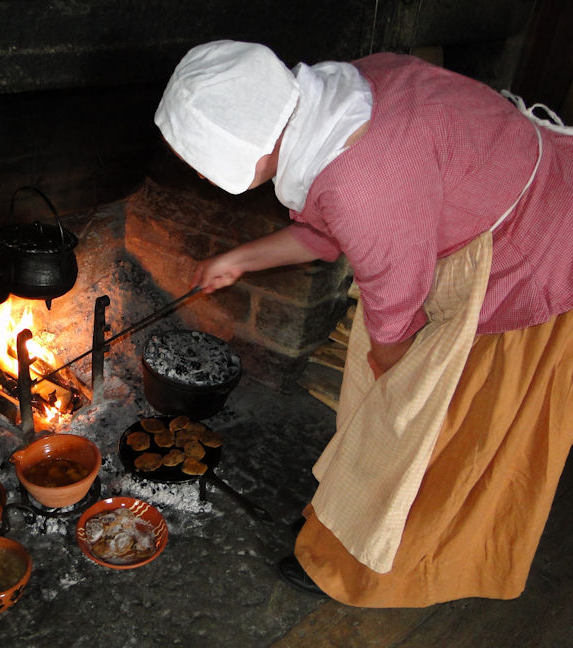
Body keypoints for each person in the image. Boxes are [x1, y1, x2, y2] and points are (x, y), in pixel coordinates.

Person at [154, 39, 573, 607]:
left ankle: (362, 568)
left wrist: (397, 401)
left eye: (201, 162)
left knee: (429, 438)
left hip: (534, 255)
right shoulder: (341, 103)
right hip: (497, 212)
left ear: (244, 142)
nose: (200, 177)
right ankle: (343, 522)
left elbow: (394, 315)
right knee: (385, 413)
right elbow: (336, 225)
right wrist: (241, 260)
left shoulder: (361, 182)